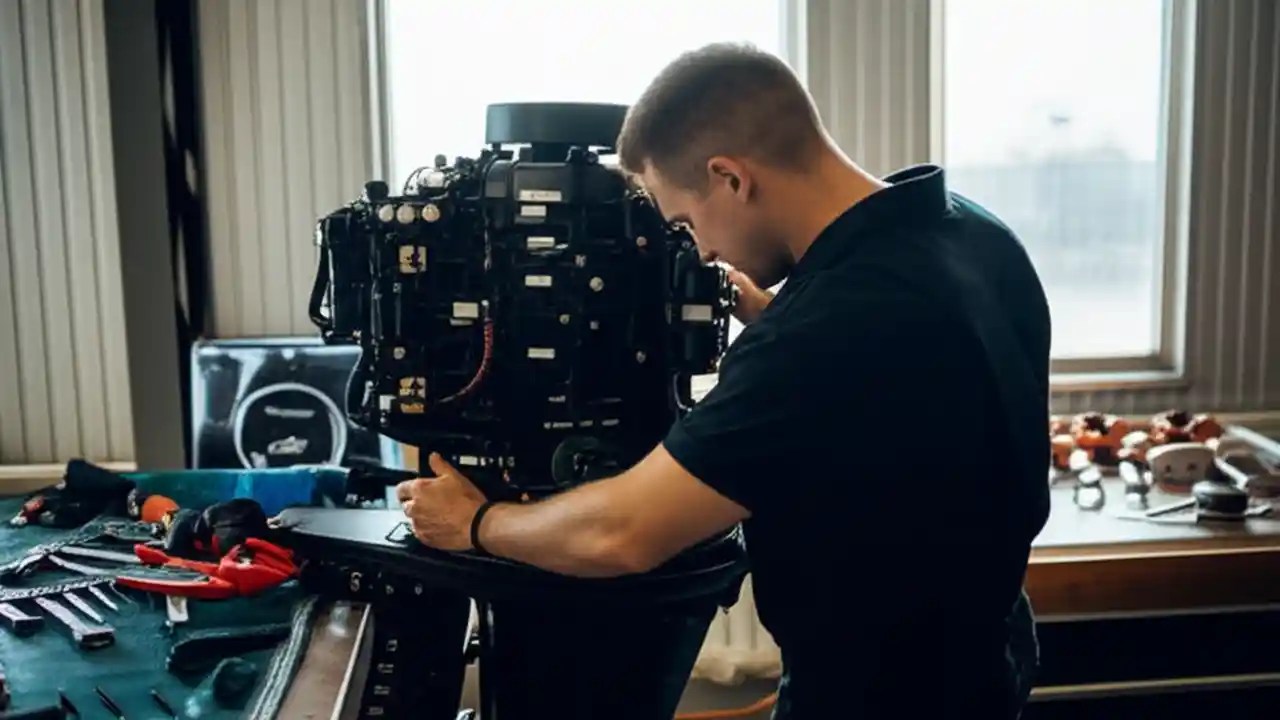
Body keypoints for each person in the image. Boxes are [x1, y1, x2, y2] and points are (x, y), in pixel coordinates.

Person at [397, 42, 1051, 718]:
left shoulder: (822, 335)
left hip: (876, 694)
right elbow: (916, 380)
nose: (701, 251)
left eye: (684, 221)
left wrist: (476, 524)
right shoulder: (973, 234)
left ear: (730, 177)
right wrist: (775, 315)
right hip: (989, 659)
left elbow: (623, 533)